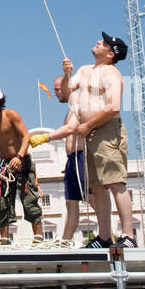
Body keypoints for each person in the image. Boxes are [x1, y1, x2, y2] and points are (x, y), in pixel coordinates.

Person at [38, 34, 136, 249]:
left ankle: (128, 235)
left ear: (111, 54)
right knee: (98, 187)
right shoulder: (84, 70)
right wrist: (66, 75)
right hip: (89, 134)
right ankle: (104, 237)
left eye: (105, 43)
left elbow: (113, 106)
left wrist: (88, 125)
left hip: (107, 131)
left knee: (115, 182)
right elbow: (65, 93)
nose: (99, 42)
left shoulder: (112, 73)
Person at [0, 82, 45, 247]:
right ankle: (4, 239)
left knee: (29, 199)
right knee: (1, 201)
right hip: (5, 165)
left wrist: (19, 156)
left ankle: (38, 236)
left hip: (22, 161)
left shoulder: (11, 115)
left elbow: (26, 136)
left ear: (0, 100)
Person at [53, 73, 86, 247]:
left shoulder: (76, 102)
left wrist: (46, 137)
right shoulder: (71, 105)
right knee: (71, 202)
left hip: (80, 156)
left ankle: (106, 234)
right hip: (71, 159)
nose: (56, 93)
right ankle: (65, 241)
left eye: (58, 89)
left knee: (92, 198)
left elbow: (70, 128)